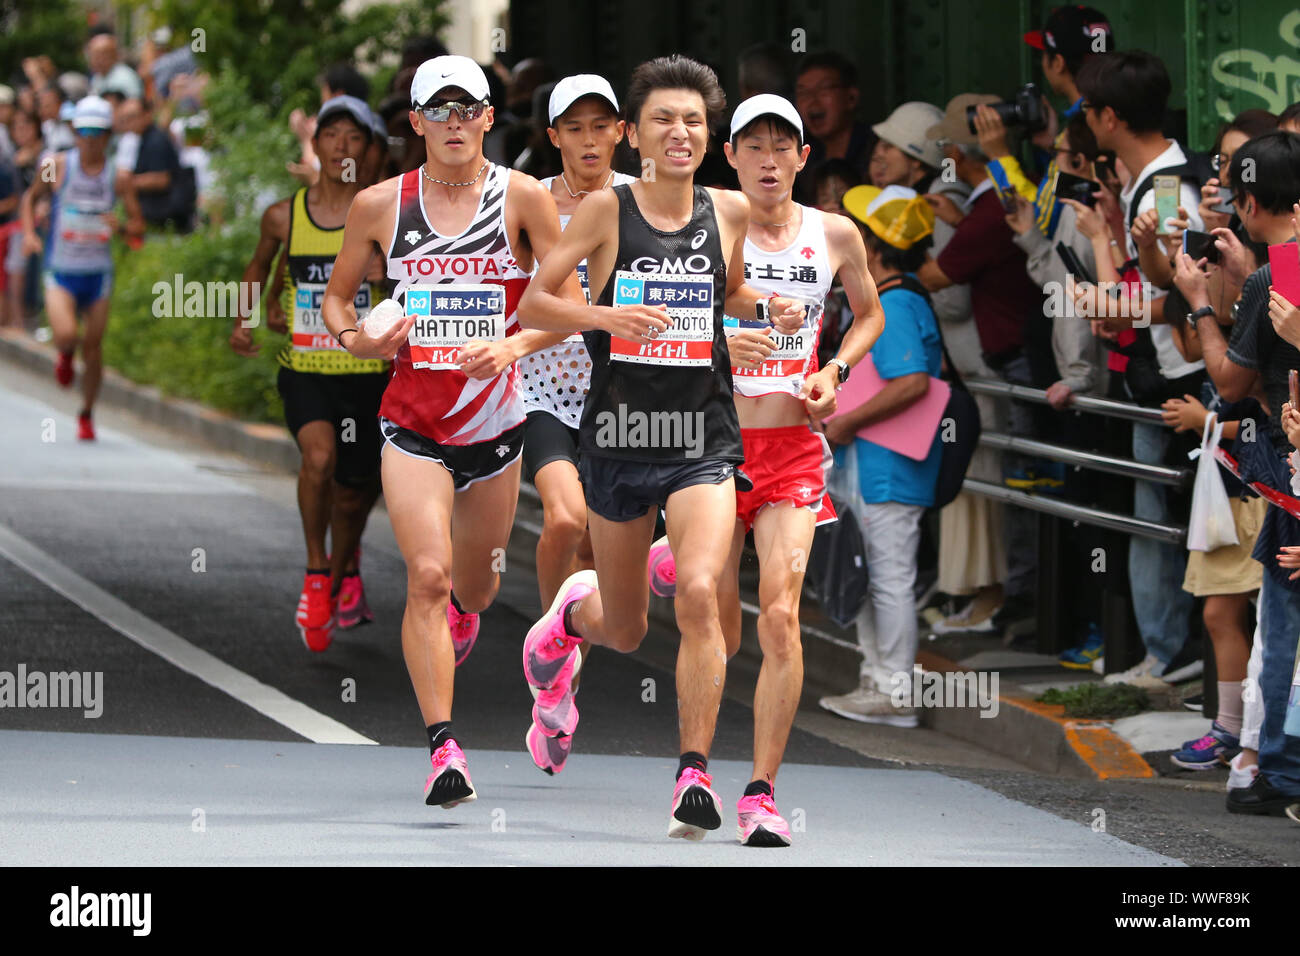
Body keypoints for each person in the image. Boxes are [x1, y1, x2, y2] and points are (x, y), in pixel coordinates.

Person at [517, 55, 805, 841]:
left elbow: (728, 289)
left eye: (693, 121)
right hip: (616, 436)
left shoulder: (731, 210)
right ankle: (565, 625)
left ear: (707, 137)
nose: (679, 133)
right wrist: (607, 320)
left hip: (700, 434)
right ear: (632, 133)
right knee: (628, 627)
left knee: (704, 588)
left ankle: (693, 772)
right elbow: (539, 297)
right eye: (663, 120)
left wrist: (765, 307)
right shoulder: (607, 211)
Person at [320, 55, 579, 808]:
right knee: (427, 578)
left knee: (476, 587)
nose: (457, 122)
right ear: (418, 121)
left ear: (490, 119)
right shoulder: (379, 206)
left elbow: (559, 303)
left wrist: (513, 346)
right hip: (411, 427)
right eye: (442, 110)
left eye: (470, 109)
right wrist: (356, 340)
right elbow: (340, 302)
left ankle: (465, 615)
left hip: (497, 429)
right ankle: (443, 750)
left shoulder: (524, 198)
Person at [714, 94, 883, 843]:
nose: (769, 159)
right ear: (732, 156)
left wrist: (836, 371)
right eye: (754, 146)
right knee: (717, 630)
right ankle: (660, 566)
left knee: (779, 615)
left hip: (790, 454)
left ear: (803, 158)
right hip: (713, 448)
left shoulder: (835, 232)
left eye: (783, 146)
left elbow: (870, 313)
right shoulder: (710, 228)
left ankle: (760, 792)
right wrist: (729, 341)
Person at [229, 96, 389, 651]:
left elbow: (421, 283)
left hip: (369, 372)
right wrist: (249, 315)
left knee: (354, 491)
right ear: (315, 145)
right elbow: (261, 265)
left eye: (354, 137)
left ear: (368, 150)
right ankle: (316, 570)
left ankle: (341, 570)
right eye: (332, 135)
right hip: (307, 370)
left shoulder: (384, 213)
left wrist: (387, 272)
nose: (342, 146)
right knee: (318, 458)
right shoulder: (283, 214)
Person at [1075, 50, 1207, 687]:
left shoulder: (1162, 185)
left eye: (1089, 111)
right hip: (1177, 370)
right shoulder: (1157, 179)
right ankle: (1170, 651)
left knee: (1161, 519)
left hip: (1187, 377)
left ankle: (1170, 654)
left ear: (1109, 116)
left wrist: (1114, 303)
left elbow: (1192, 292)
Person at [517, 74, 636, 776]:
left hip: (618, 395)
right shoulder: (530, 201)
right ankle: (549, 659)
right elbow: (528, 300)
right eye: (575, 128)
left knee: (594, 545)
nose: (590, 140)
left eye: (603, 126)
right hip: (539, 388)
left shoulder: (643, 203)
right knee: (564, 522)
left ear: (621, 132)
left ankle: (561, 675)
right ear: (554, 135)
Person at [1179, 132, 1300, 812]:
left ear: (1250, 202)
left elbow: (1230, 381)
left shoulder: (1269, 276)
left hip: (1289, 472)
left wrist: (1200, 301)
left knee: (1280, 623)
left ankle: (1277, 770)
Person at [920, 94, 1048, 630]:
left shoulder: (994, 209)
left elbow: (931, 281)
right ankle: (1017, 600)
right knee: (1021, 485)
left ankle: (1021, 605)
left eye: (946, 147)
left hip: (1012, 366)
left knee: (1022, 488)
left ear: (957, 152)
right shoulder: (987, 205)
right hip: (1019, 362)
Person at [821, 184, 945, 726]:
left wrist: (845, 422)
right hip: (878, 467)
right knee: (874, 573)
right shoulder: (895, 298)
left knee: (889, 575)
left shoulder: (894, 304)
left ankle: (893, 688)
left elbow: (912, 382)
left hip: (886, 469)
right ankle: (878, 680)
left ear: (873, 246)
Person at [19, 96, 144, 440]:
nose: (90, 139)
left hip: (98, 273)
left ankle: (86, 414)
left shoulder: (119, 177)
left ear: (108, 136)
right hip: (61, 269)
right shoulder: (55, 164)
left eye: (97, 132)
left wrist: (119, 226)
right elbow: (29, 198)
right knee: (67, 335)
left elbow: (138, 226)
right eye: (83, 131)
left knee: (94, 345)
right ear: (75, 132)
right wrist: (30, 234)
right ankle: (63, 353)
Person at [793, 53, 875, 203]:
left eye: (823, 90)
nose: (812, 101)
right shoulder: (801, 156)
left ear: (851, 98)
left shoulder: (875, 148)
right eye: (803, 93)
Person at [86, 30, 144, 101]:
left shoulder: (125, 78)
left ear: (115, 55)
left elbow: (133, 106)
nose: (97, 60)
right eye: (93, 55)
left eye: (101, 54)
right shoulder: (97, 78)